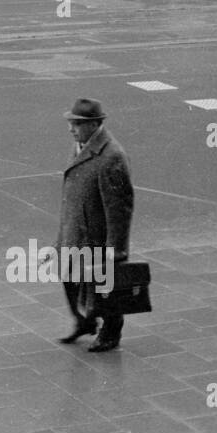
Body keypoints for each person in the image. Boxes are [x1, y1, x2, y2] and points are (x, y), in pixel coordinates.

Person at [56, 98, 135, 353]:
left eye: (77, 124)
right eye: (71, 123)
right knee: (69, 277)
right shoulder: (80, 145)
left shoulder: (111, 156)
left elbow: (120, 207)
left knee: (103, 287)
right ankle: (84, 321)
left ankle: (111, 331)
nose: (71, 129)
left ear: (93, 125)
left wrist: (116, 248)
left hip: (96, 236)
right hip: (74, 230)